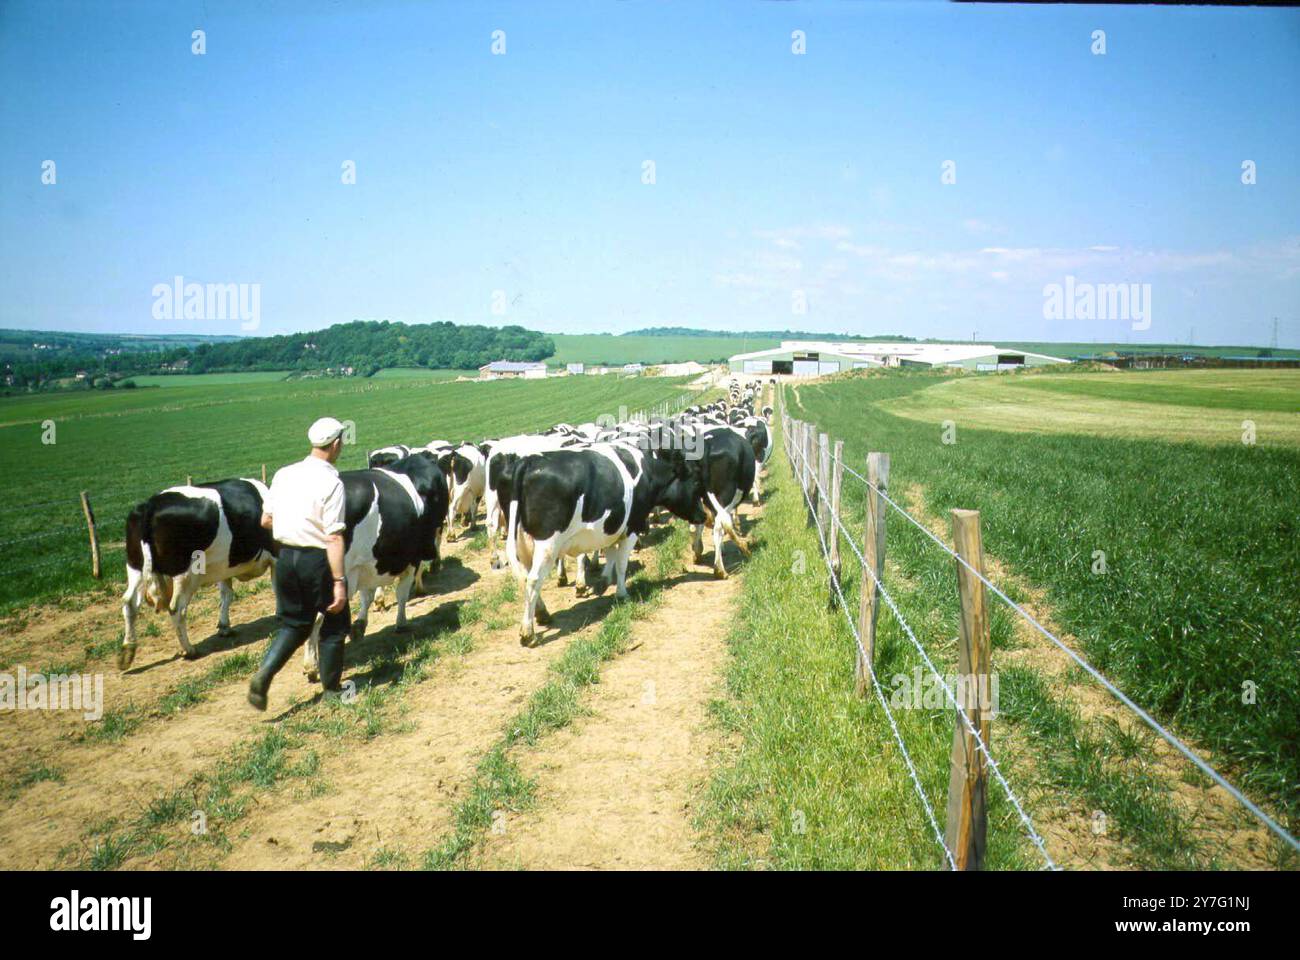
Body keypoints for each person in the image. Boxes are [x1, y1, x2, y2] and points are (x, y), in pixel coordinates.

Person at [248, 417, 351, 711]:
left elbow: (266, 520)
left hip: (285, 560)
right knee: (334, 622)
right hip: (316, 561)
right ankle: (332, 690)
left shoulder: (283, 474)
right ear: (335, 444)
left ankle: (264, 674)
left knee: (294, 624)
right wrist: (340, 583)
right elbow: (333, 538)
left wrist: (294, 526)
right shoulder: (332, 482)